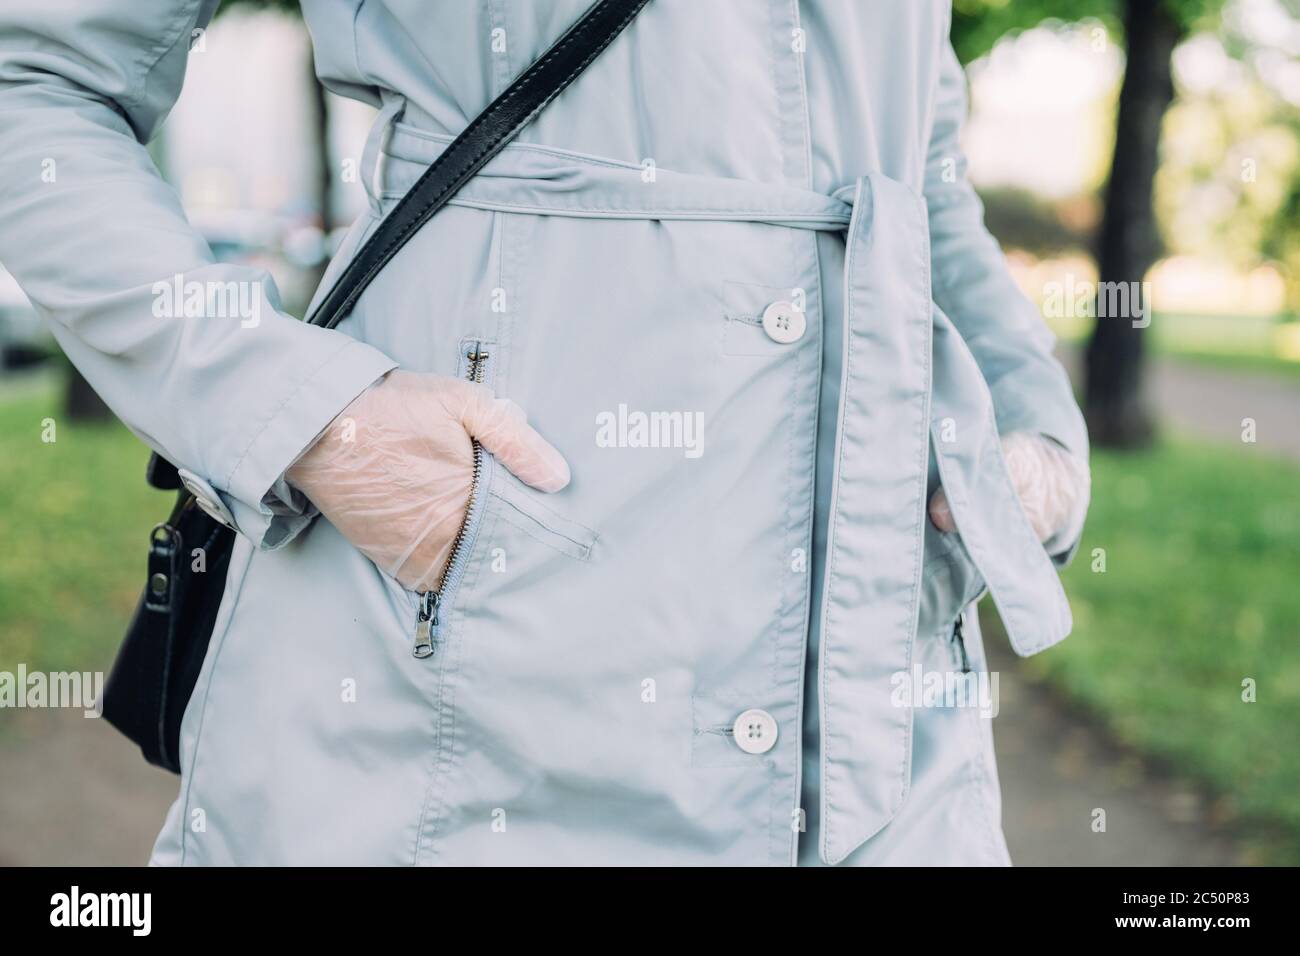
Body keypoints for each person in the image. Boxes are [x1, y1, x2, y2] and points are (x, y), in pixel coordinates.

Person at [0, 0, 1089, 866]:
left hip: (886, 716)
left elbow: (927, 178)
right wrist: (314, 419)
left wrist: (1036, 432)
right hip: (479, 650)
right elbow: (33, 81)